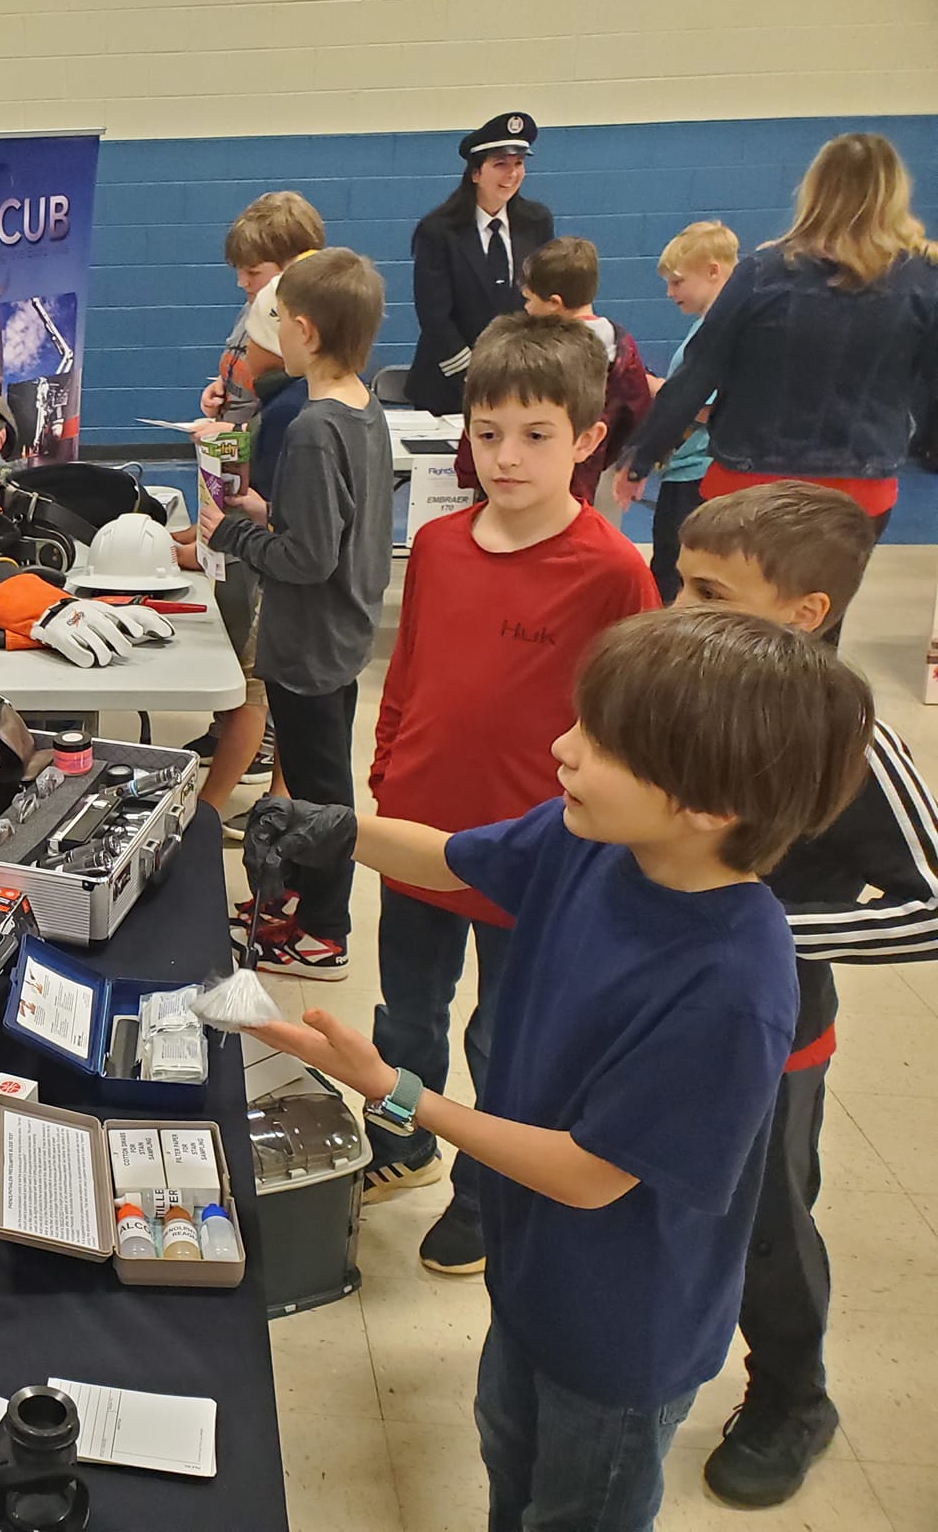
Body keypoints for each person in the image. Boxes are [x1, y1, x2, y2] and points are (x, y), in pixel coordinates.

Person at [241, 606, 875, 1532]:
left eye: (601, 742)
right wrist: (334, 829)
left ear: (708, 804)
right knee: (510, 1453)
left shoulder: (732, 987)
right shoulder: (595, 841)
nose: (562, 748)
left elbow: (587, 1174)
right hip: (534, 1271)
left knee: (579, 1508)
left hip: (623, 1327)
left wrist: (399, 1091)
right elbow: (457, 861)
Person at [367, 313, 659, 1274]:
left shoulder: (613, 572)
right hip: (418, 836)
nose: (505, 457)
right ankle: (403, 1142)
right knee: (406, 1016)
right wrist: (386, 774)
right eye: (486, 433)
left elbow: (633, 721)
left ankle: (485, 1194)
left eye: (536, 436)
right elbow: (408, 674)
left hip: (536, 858)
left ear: (586, 441)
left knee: (506, 1041)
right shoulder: (444, 545)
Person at [672, 484, 938, 1507]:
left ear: (802, 614)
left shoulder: (850, 742)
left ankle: (791, 1395)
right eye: (680, 578)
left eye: (708, 590)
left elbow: (927, 905)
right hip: (650, 1020)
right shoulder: (680, 690)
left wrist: (763, 934)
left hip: (769, 1041)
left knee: (765, 1228)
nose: (676, 604)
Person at [199, 249, 394, 978]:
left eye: (276, 319)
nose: (270, 330)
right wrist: (271, 511)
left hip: (310, 639)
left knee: (319, 791)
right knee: (319, 776)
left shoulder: (312, 429)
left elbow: (307, 560)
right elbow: (333, 530)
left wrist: (238, 532)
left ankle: (324, 931)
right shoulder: (362, 408)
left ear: (304, 331)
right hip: (342, 632)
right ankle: (302, 900)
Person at [623, 132, 938, 540]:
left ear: (814, 191)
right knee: (821, 600)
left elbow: (699, 370)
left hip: (749, 478)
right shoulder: (924, 281)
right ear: (895, 194)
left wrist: (641, 458)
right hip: (861, 481)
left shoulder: (762, 271)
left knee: (735, 596)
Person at [188, 192, 326, 824]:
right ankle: (244, 756)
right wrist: (222, 398)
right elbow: (248, 384)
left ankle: (276, 793)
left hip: (263, 506)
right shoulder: (261, 317)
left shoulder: (309, 390)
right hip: (244, 496)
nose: (244, 283)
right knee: (246, 654)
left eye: (255, 270)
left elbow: (303, 525)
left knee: (268, 676)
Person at [452, 238, 651, 511]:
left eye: (529, 300)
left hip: (512, 488)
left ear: (554, 303)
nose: (526, 308)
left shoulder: (529, 356)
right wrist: (596, 457)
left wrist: (468, 471)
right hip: (581, 486)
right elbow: (636, 415)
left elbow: (486, 411)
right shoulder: (623, 348)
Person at [405, 111, 554, 416]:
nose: (511, 174)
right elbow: (434, 318)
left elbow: (542, 299)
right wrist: (476, 379)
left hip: (516, 384)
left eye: (519, 164)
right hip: (448, 387)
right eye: (500, 165)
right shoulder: (438, 231)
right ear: (475, 173)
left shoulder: (536, 222)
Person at [634, 221, 738, 601]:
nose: (669, 292)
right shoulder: (705, 328)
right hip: (686, 468)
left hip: (699, 473)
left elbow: (709, 405)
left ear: (713, 271)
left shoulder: (722, 332)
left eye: (678, 281)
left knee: (675, 572)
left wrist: (649, 385)